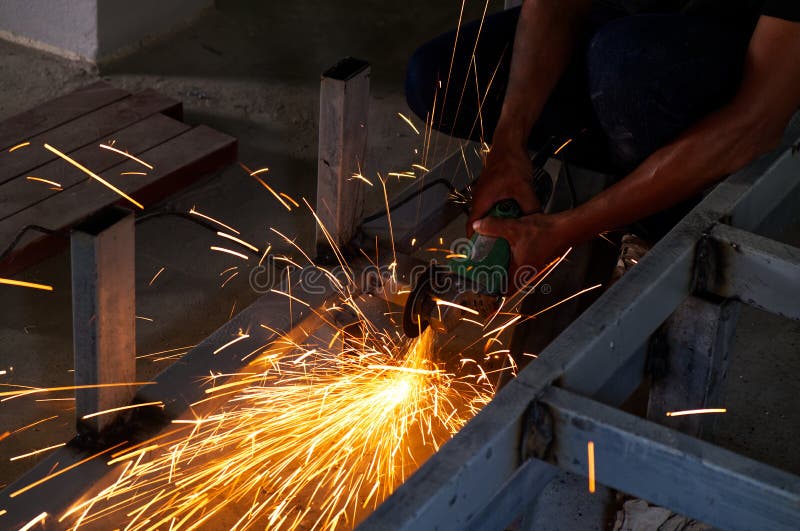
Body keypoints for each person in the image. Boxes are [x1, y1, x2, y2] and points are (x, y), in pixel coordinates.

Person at [405, 0, 800, 282]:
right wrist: (509, 147)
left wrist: (564, 230)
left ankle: (659, 217)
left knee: (627, 64)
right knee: (435, 79)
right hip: (621, 44)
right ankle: (634, 158)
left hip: (723, 68)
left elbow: (754, 126)